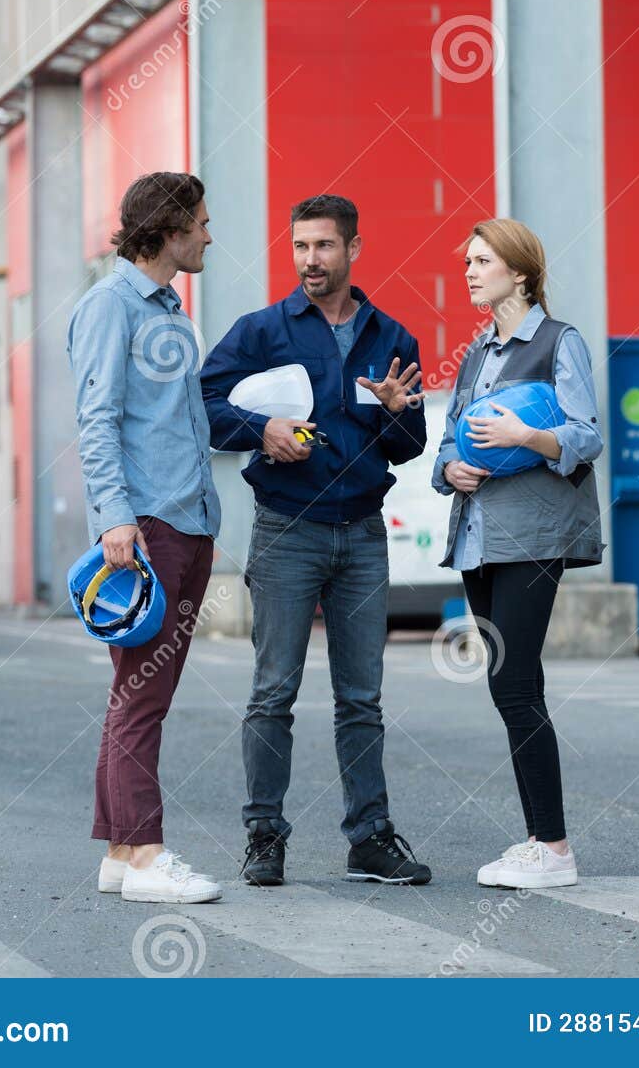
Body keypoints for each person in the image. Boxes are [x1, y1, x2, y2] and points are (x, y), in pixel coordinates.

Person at [200, 193, 432, 887]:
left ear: (354, 250)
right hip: (286, 531)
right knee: (273, 690)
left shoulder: (393, 339)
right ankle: (264, 835)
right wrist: (260, 431)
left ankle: (369, 837)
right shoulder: (263, 331)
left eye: (324, 246)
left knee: (362, 699)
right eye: (300, 246)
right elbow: (205, 406)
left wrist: (396, 416)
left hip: (362, 535)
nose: (310, 260)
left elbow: (411, 445)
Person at [432, 218, 604, 891]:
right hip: (480, 536)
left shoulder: (561, 343)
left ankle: (554, 849)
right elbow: (449, 440)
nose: (471, 272)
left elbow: (585, 436)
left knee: (514, 683)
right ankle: (541, 841)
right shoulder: (476, 354)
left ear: (521, 274)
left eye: (483, 261)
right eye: (468, 261)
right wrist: (451, 471)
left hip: (533, 538)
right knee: (511, 686)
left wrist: (528, 434)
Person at [66, 172, 222, 905]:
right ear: (168, 228)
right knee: (141, 696)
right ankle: (151, 855)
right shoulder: (110, 305)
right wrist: (115, 518)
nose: (209, 235)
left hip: (187, 519)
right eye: (201, 222)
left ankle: (123, 851)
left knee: (134, 692)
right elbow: (97, 419)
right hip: (147, 525)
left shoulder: (167, 308)